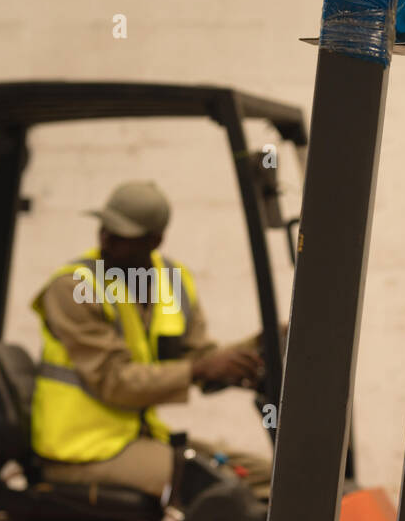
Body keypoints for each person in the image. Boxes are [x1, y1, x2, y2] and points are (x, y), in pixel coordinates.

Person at [29, 180, 273, 502]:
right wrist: (198, 370)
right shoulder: (75, 288)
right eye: (105, 229)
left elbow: (203, 358)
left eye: (121, 236)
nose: (107, 241)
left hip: (137, 439)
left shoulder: (173, 281)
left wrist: (260, 344)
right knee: (220, 493)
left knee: (270, 477)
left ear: (155, 240)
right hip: (79, 450)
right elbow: (114, 381)